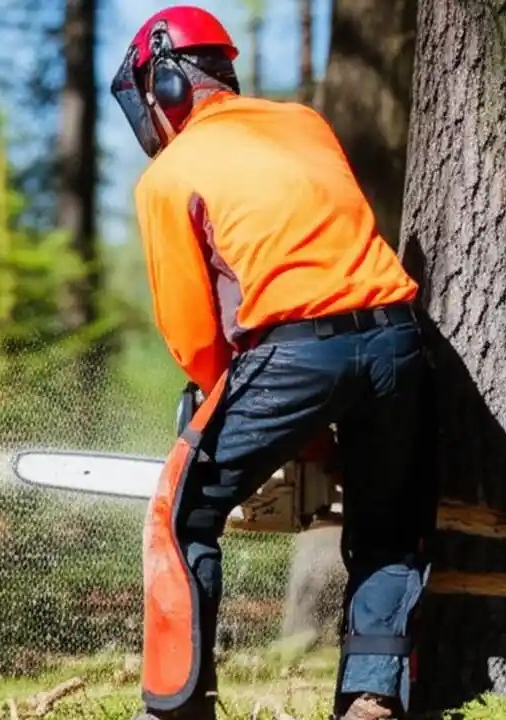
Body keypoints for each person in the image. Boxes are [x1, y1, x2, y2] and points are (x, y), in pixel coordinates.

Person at [109, 6, 432, 720]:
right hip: (399, 344)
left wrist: (218, 395)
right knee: (384, 526)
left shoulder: (170, 176)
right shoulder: (304, 123)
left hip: (295, 351)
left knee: (179, 515)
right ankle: (373, 698)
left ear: (163, 85)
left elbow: (194, 333)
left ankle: (175, 705)